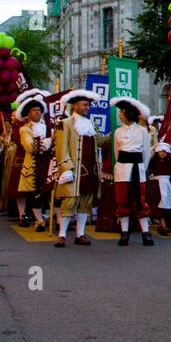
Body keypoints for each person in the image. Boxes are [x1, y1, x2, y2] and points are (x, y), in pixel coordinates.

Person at [54, 89, 108, 247]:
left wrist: (114, 135)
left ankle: (80, 234)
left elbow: (98, 141)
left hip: (90, 169)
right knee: (70, 202)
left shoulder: (91, 124)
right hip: (75, 170)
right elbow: (61, 149)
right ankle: (62, 235)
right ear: (76, 106)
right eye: (85, 105)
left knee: (86, 202)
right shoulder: (65, 124)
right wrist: (66, 168)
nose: (87, 108)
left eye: (88, 105)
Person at [111, 96, 153, 246]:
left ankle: (145, 232)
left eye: (122, 112)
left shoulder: (142, 131)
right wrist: (121, 166)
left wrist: (142, 168)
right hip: (122, 171)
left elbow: (147, 153)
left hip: (137, 170)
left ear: (129, 113)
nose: (119, 114)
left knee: (140, 201)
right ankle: (124, 232)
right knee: (122, 201)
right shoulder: (117, 132)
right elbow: (117, 153)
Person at [15, 95, 52, 230]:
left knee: (50, 193)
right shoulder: (25, 129)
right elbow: (30, 147)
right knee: (34, 193)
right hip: (34, 165)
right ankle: (39, 220)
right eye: (34, 110)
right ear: (29, 114)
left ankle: (55, 219)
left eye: (39, 110)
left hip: (49, 164)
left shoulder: (48, 126)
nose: (37, 112)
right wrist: (49, 140)